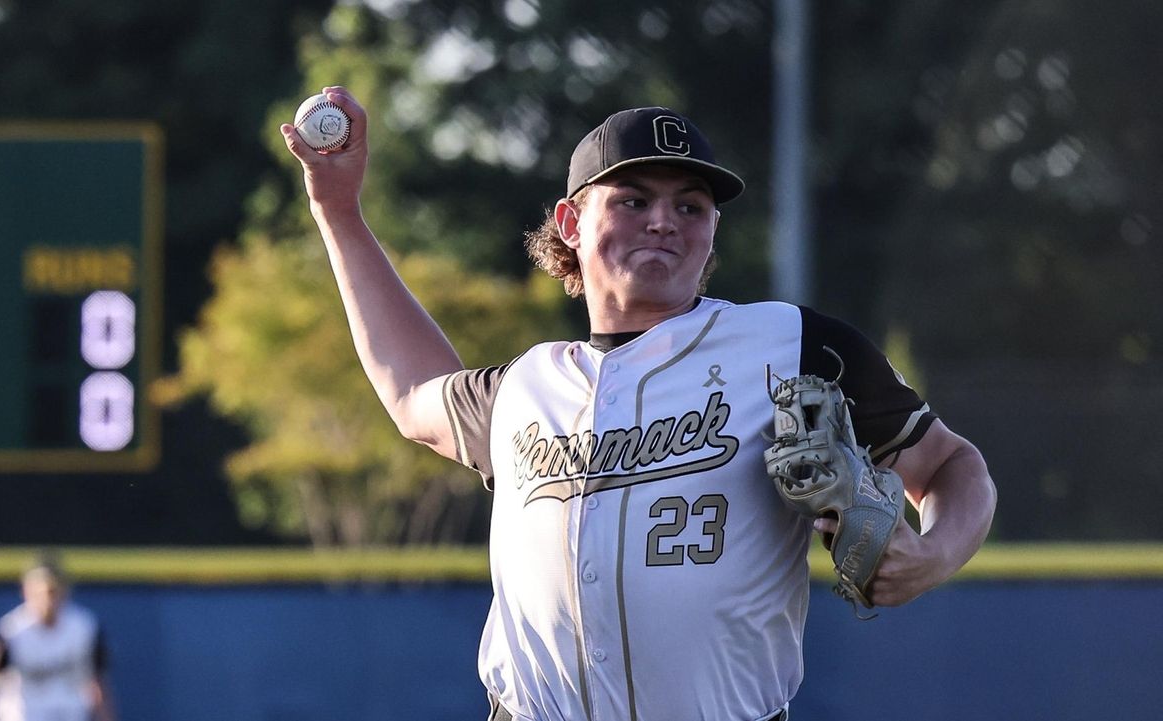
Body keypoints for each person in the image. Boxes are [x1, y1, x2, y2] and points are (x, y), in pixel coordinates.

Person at [281, 88, 996, 721]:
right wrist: (338, 212)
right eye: (633, 199)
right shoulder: (526, 388)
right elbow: (412, 394)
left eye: (690, 205)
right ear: (570, 221)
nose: (664, 221)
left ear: (712, 232)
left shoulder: (792, 346)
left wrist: (933, 554)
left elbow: (950, 465)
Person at [0, 554, 115, 721]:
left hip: (69, 713)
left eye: (53, 591)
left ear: (65, 590)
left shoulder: (84, 627)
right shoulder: (12, 630)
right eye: (41, 591)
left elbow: (98, 683)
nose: (47, 599)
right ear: (27, 590)